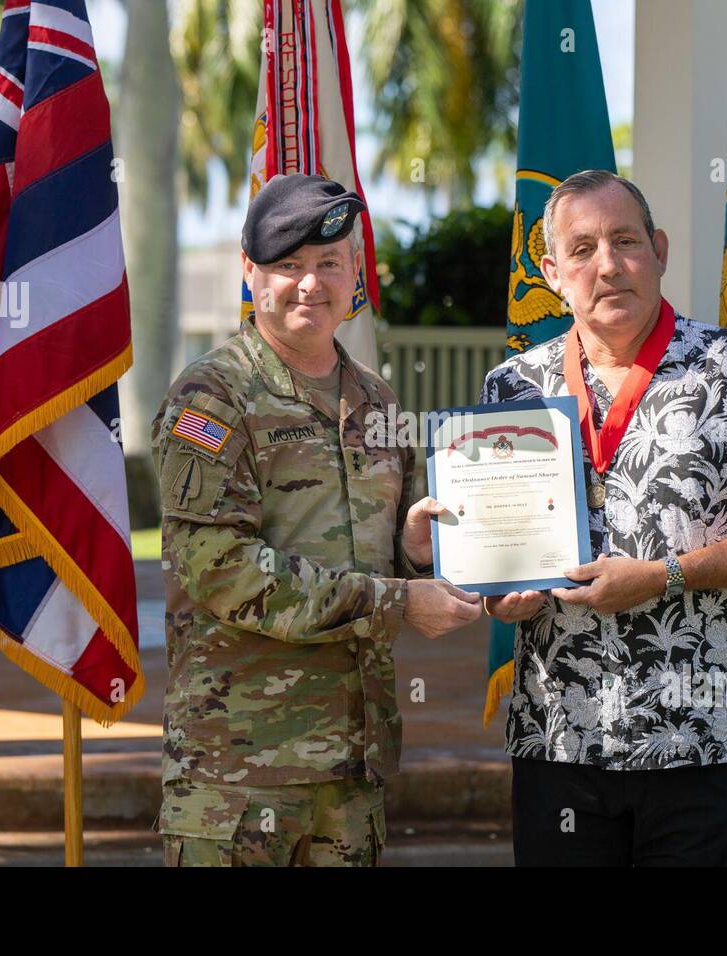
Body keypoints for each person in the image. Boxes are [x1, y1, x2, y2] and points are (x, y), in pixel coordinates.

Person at [481, 169, 727, 866]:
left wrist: (664, 576)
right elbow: (497, 562)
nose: (607, 264)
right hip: (560, 743)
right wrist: (503, 595)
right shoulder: (514, 388)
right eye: (581, 249)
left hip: (706, 743)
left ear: (660, 250)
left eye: (625, 240)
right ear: (553, 273)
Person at [150, 173, 482, 866]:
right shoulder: (212, 399)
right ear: (250, 274)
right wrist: (397, 597)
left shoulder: (378, 401)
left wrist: (415, 554)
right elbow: (223, 571)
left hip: (352, 775)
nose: (310, 284)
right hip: (238, 777)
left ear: (354, 271)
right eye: (287, 266)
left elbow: (384, 559)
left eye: (328, 263)